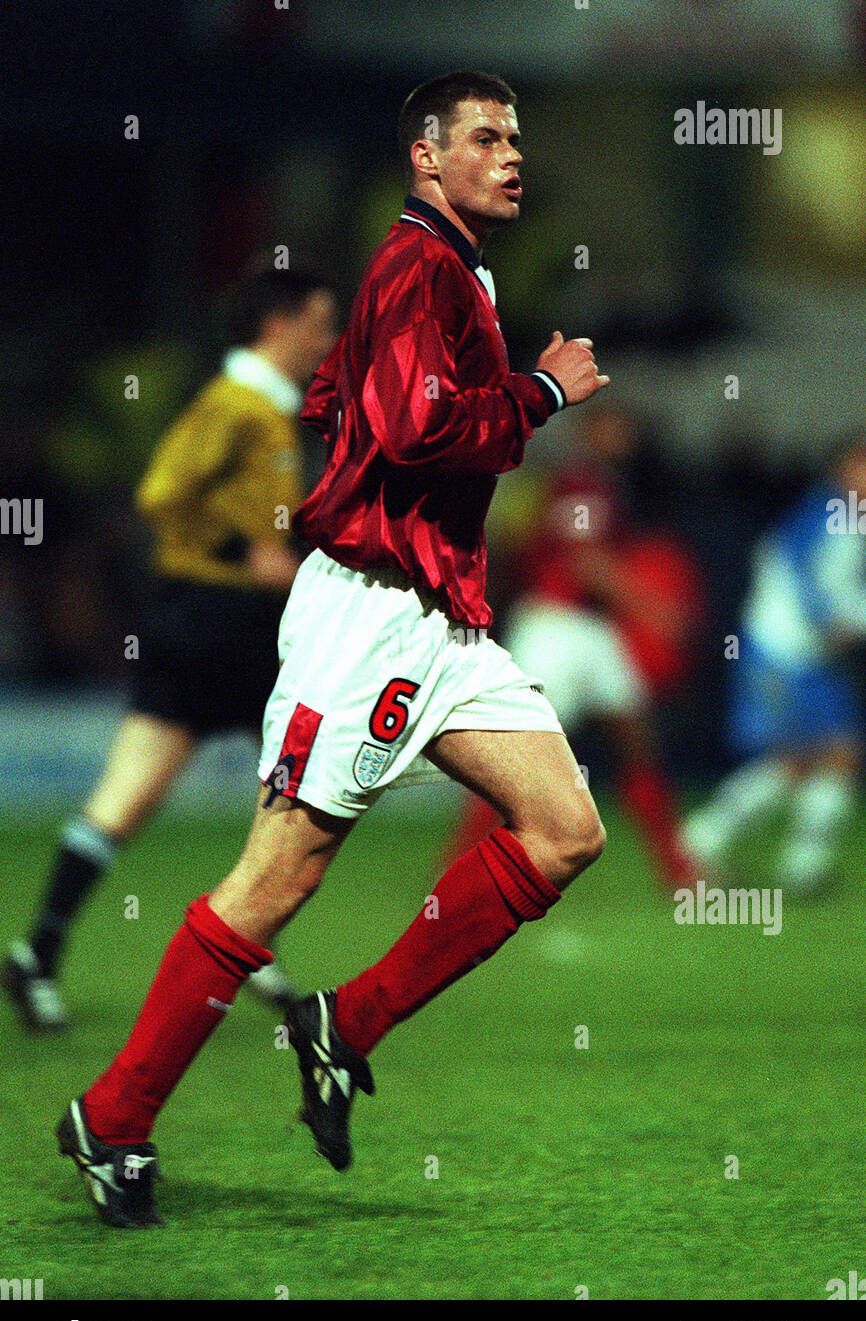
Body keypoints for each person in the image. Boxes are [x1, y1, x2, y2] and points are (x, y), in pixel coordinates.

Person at [56, 69, 611, 1229]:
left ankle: (341, 1024)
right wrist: (539, 392)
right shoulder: (418, 265)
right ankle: (111, 1117)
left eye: (515, 137)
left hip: (438, 613)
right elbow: (414, 428)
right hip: (365, 615)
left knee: (563, 830)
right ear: (426, 158)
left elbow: (340, 395)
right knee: (274, 883)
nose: (511, 156)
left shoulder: (447, 269)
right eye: (485, 138)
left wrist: (369, 406)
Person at [3, 265, 338, 1030]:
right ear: (278, 324)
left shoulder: (262, 408)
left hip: (207, 622)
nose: (329, 339)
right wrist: (244, 552)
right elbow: (159, 490)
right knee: (298, 791)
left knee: (136, 799)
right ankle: (249, 947)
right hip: (220, 627)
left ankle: (38, 954)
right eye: (320, 322)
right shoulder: (238, 406)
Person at [444, 408, 706, 888]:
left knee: (636, 742)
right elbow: (586, 561)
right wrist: (653, 609)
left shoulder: (595, 482)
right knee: (521, 755)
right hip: (556, 628)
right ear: (590, 432)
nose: (622, 434)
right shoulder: (582, 482)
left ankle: (680, 871)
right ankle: (456, 867)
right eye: (612, 425)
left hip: (590, 629)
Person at [683, 433, 866, 894]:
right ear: (843, 467)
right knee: (795, 759)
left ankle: (804, 867)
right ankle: (700, 840)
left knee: (838, 753)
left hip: (808, 655)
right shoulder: (831, 513)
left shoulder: (845, 516)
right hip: (781, 650)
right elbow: (803, 575)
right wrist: (836, 621)